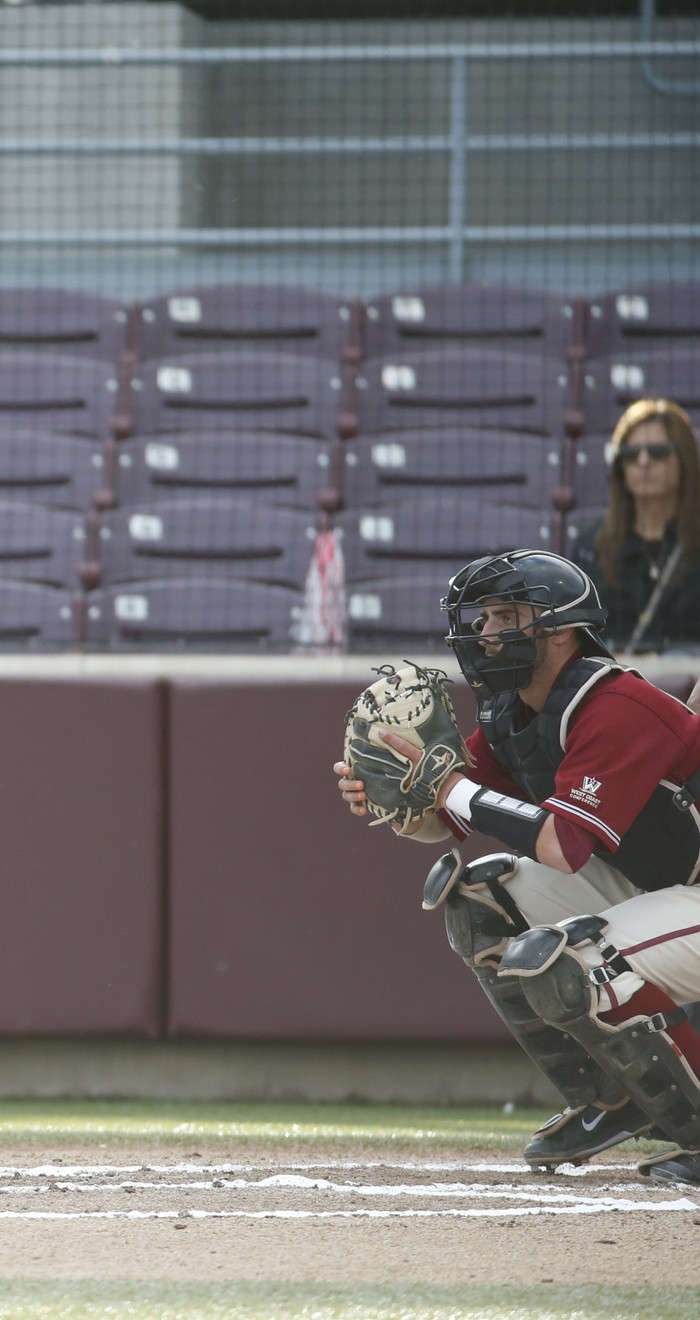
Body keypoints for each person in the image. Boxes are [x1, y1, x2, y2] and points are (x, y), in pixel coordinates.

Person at [333, 549, 700, 1184]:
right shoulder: (514, 710)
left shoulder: (616, 704)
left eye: (505, 615)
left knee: (587, 956)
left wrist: (444, 787)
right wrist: (395, 795)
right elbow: (443, 817)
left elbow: (560, 845)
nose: (484, 632)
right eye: (483, 618)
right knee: (481, 894)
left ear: (557, 630)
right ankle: (611, 1098)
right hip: (665, 883)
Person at [572, 399, 700, 654]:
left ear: (684, 460)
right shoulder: (591, 548)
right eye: (631, 454)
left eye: (658, 452)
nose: (643, 461)